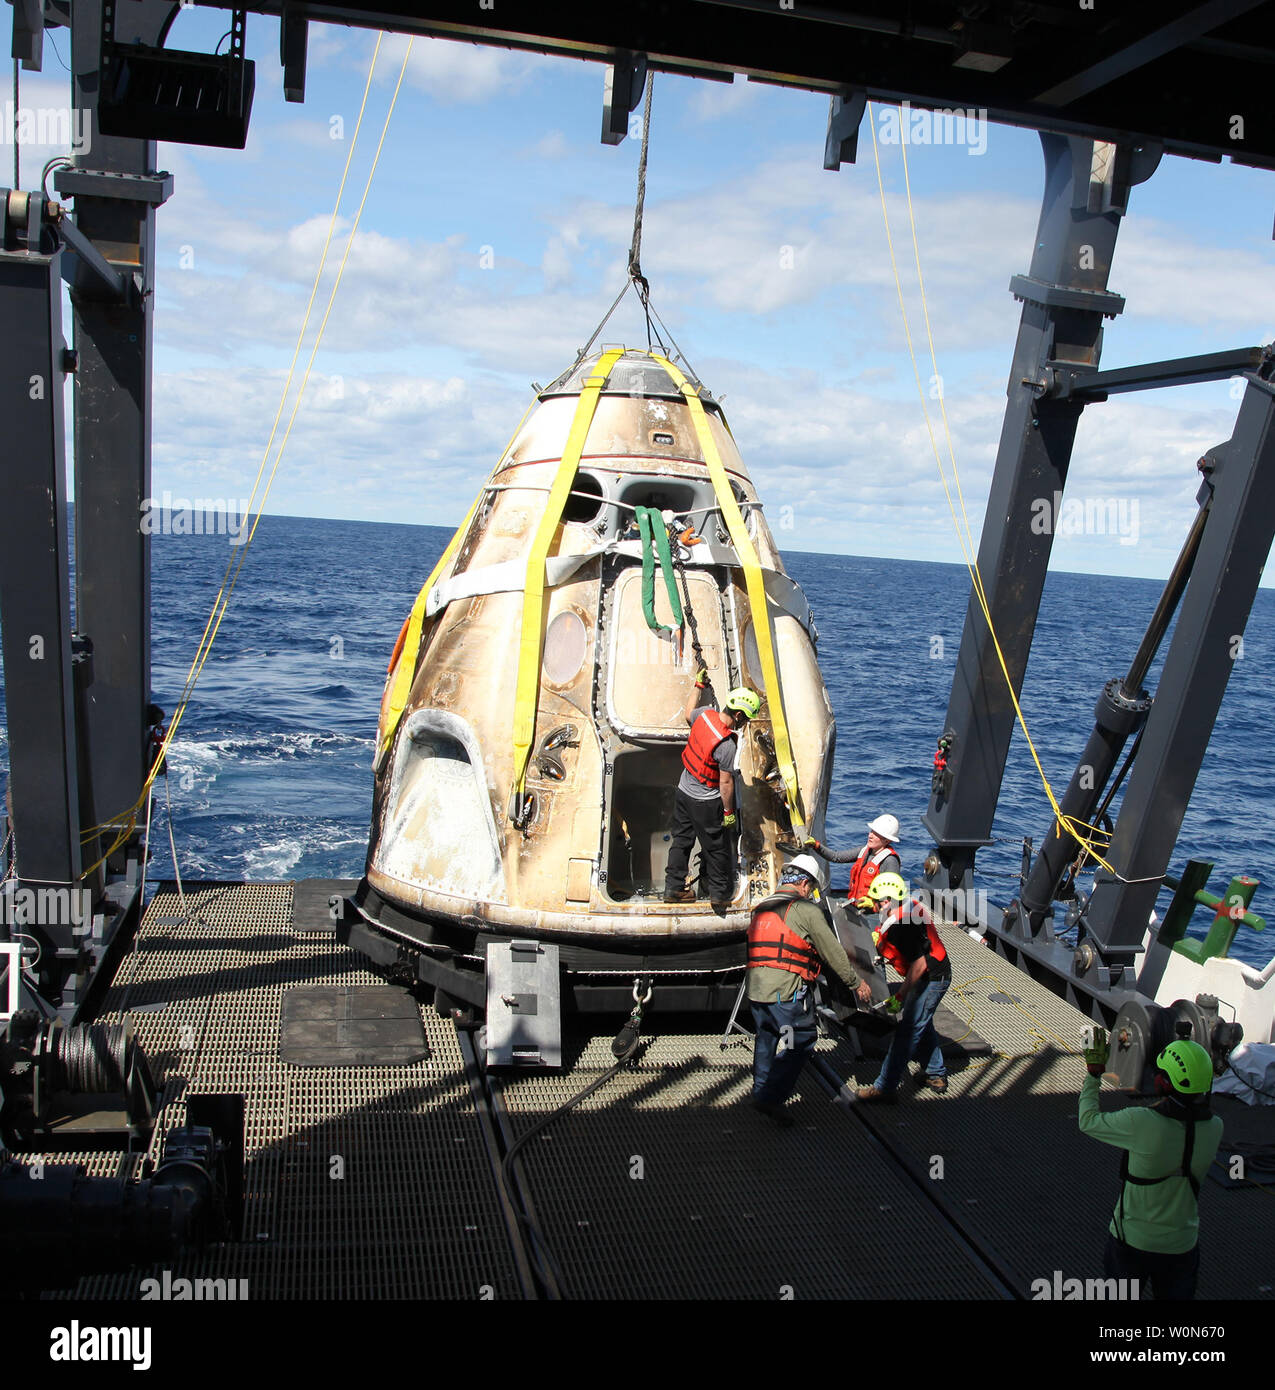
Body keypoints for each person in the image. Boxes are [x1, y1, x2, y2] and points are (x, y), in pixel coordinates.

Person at [1078, 1033, 1223, 1300]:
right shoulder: (1215, 1127)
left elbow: (1087, 1120)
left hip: (1132, 1240)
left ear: (1165, 1083)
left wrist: (1093, 1074)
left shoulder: (1141, 1121)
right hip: (1182, 1244)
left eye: (1161, 1073)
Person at [748, 853, 873, 1124]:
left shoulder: (762, 906)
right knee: (800, 1041)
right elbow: (833, 953)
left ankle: (760, 1090)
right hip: (785, 995)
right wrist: (856, 983)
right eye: (811, 888)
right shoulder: (806, 910)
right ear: (804, 883)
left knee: (766, 1038)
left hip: (756, 992)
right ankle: (768, 1097)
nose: (811, 893)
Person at [664, 673, 759, 906]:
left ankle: (674, 888)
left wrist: (698, 686)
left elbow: (688, 713)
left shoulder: (704, 715)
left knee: (682, 841)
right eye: (745, 719)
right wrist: (727, 814)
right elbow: (725, 783)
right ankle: (719, 895)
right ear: (738, 715)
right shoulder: (726, 745)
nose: (745, 724)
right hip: (706, 802)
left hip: (683, 791)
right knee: (717, 847)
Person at [856, 871, 951, 1101]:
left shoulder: (901, 927)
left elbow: (918, 966)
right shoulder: (909, 905)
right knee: (920, 1022)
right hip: (934, 970)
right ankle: (935, 1072)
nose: (876, 906)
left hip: (931, 978)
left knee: (906, 1033)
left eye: (878, 902)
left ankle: (884, 1088)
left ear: (887, 901)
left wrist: (899, 995)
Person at [807, 814, 901, 909]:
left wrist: (874, 905)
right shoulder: (864, 851)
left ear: (887, 840)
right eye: (872, 831)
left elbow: (891, 897)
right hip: (855, 906)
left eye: (876, 834)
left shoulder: (890, 861)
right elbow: (836, 857)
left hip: (872, 914)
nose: (870, 835)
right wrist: (816, 846)